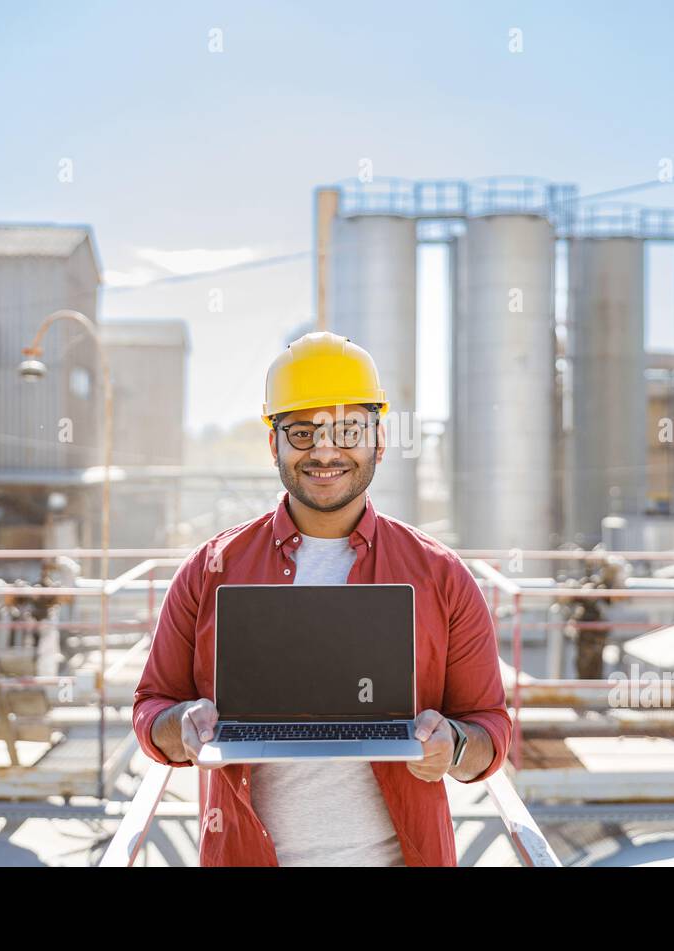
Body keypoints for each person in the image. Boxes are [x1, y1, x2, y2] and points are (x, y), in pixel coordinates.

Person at [132, 330, 510, 866]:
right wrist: (183, 725)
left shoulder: (441, 576)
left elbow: (489, 729)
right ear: (274, 444)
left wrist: (453, 741)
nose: (325, 450)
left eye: (348, 429)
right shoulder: (209, 571)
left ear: (379, 439)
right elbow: (152, 708)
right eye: (303, 432)